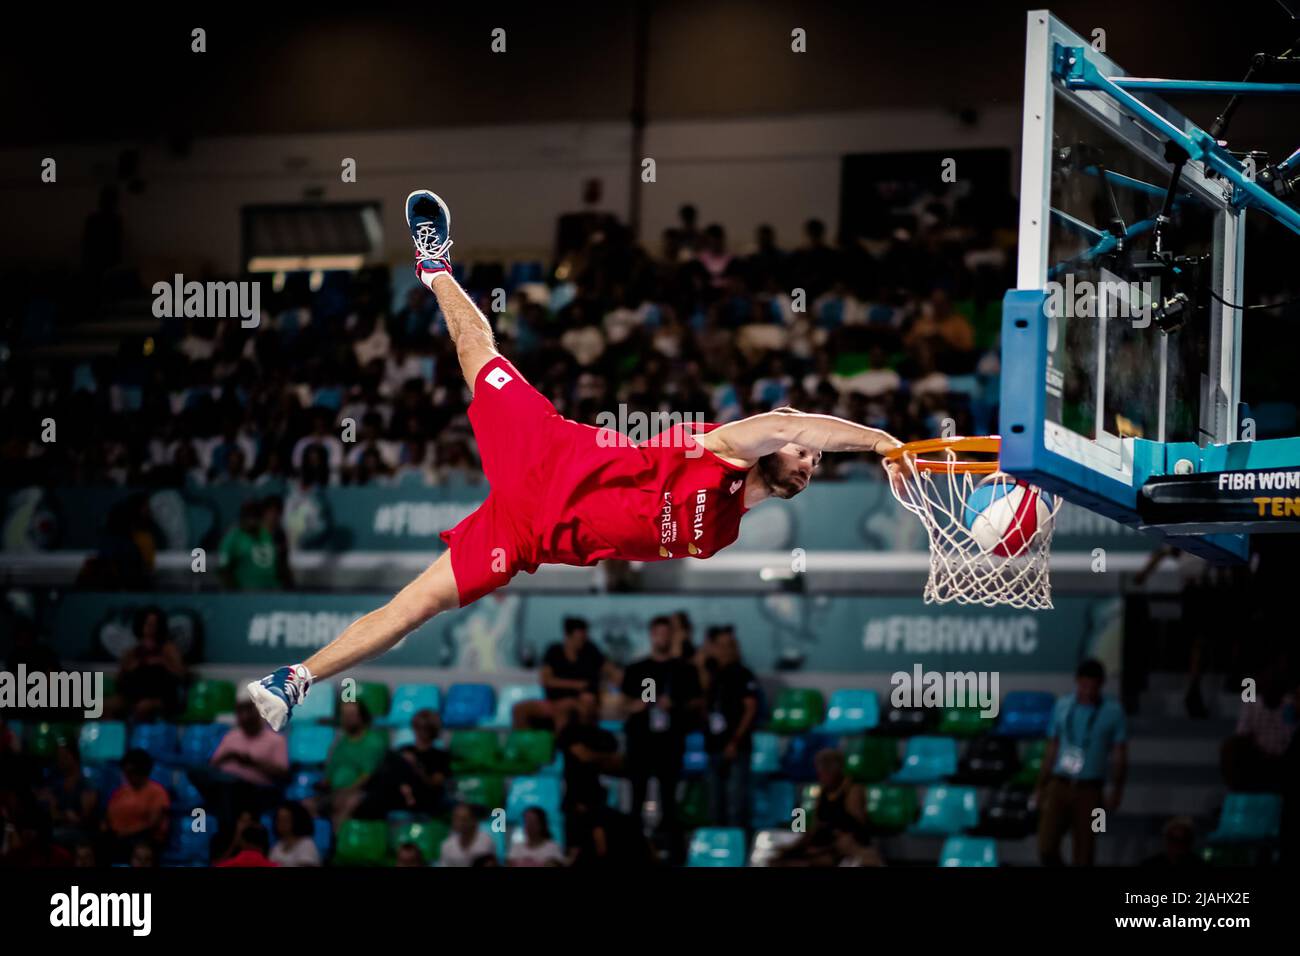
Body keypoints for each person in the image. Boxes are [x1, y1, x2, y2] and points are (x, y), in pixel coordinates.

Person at [249, 189, 902, 730]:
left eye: (815, 464)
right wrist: (879, 444)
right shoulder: (721, 449)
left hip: (525, 535)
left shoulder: (722, 533)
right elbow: (789, 423)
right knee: (475, 350)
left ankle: (297, 677)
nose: (810, 459)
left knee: (413, 609)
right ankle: (436, 266)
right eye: (807, 451)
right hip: (549, 453)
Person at [1035, 658, 1129, 866]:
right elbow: (1052, 747)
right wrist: (1041, 786)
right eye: (1084, 685)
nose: (1087, 691)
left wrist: (1117, 789)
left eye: (1093, 687)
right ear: (1077, 682)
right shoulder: (1062, 706)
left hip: (1092, 790)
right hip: (1059, 784)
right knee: (1045, 846)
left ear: (1101, 684)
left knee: (1086, 851)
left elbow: (1120, 754)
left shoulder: (1114, 712)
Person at [622, 615, 702, 847]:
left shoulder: (684, 670)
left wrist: (675, 704)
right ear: (651, 635)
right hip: (641, 741)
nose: (662, 638)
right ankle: (634, 847)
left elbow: (697, 702)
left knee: (669, 797)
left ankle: (669, 848)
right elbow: (622, 704)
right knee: (637, 797)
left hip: (670, 742)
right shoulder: (637, 668)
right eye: (658, 633)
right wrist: (639, 706)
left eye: (666, 634)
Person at [771, 750, 879, 867]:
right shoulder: (823, 791)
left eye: (825, 770)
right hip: (826, 843)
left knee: (836, 850)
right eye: (820, 770)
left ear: (837, 770)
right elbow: (815, 826)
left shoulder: (853, 790)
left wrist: (832, 841)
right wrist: (794, 848)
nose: (821, 774)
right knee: (779, 861)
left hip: (847, 844)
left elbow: (859, 827)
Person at [512, 617, 617, 733]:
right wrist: (576, 685)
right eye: (580, 638)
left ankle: (565, 747)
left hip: (578, 703)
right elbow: (546, 680)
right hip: (553, 702)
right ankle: (527, 745)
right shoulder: (554, 651)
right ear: (568, 636)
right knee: (519, 709)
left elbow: (610, 671)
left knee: (569, 708)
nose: (583, 641)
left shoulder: (591, 651)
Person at [702, 626, 760, 827]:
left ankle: (738, 851)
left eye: (731, 645)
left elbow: (751, 708)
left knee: (736, 805)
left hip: (736, 748)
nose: (727, 650)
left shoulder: (742, 673)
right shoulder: (713, 675)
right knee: (714, 805)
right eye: (722, 645)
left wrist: (735, 741)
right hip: (714, 746)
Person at [116, 606, 186, 720]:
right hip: (134, 696)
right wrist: (132, 667)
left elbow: (181, 675)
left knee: (144, 707)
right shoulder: (132, 653)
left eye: (155, 624)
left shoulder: (168, 649)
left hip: (162, 698)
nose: (151, 628)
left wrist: (163, 662)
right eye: (148, 624)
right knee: (105, 706)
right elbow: (120, 681)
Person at [105, 749, 170, 861]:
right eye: (125, 771)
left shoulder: (157, 792)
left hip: (145, 840)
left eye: (131, 771)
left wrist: (127, 833)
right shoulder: (121, 791)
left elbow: (153, 825)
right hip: (118, 837)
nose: (127, 775)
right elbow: (108, 815)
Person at [438, 803, 496, 867]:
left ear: (474, 820)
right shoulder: (447, 845)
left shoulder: (486, 841)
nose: (459, 823)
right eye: (456, 818)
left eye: (464, 819)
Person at [268, 802, 321, 867]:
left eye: (286, 819)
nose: (281, 823)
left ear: (298, 820)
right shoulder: (278, 845)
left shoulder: (307, 844)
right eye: (279, 819)